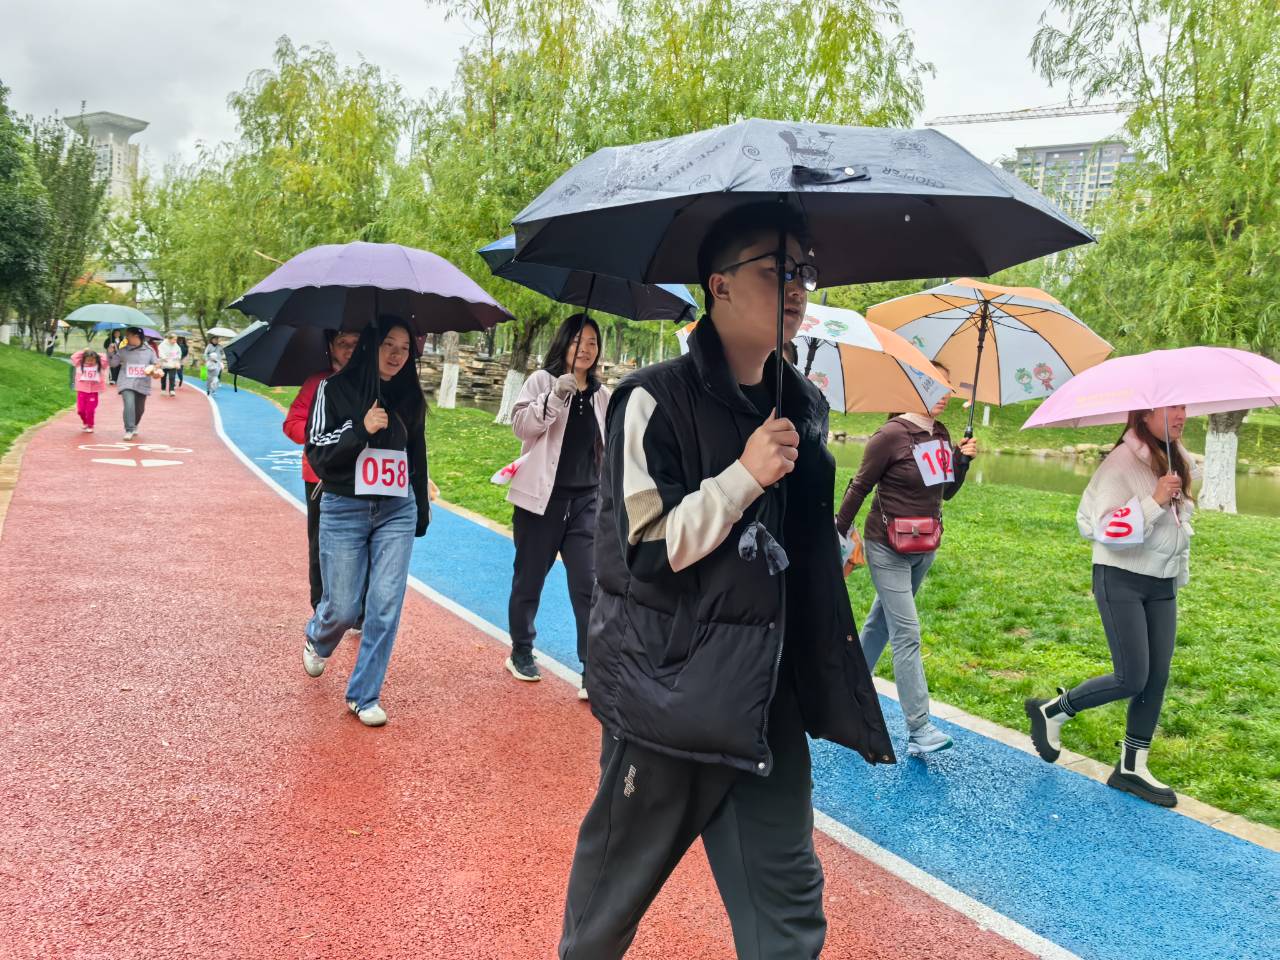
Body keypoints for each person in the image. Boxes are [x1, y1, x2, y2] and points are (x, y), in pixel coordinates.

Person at [557, 203, 893, 959]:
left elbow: (792, 542)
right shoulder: (651, 400)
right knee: (602, 918)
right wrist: (741, 476)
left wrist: (824, 549)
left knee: (790, 917)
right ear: (719, 286)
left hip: (764, 701)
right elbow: (643, 548)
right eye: (778, 271)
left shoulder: (802, 406)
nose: (800, 288)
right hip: (667, 698)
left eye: (805, 271)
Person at [1026, 406, 1196, 808]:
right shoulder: (1120, 463)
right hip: (1120, 577)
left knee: (1156, 678)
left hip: (1162, 580)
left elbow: (1177, 527)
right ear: (1145, 414)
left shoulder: (1178, 458)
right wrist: (1154, 500)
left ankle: (1131, 768)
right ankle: (1054, 711)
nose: (1181, 415)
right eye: (1171, 408)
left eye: (1184, 407)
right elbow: (1104, 529)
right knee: (1132, 677)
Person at [833, 369, 977, 756]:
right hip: (887, 546)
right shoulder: (891, 435)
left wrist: (961, 461)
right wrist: (838, 534)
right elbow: (859, 485)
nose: (944, 393)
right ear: (911, 388)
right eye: (934, 384)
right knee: (907, 633)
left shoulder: (941, 433)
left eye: (948, 385)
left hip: (925, 545)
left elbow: (945, 492)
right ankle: (919, 729)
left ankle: (847, 692)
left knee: (882, 622)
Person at [302, 316, 431, 727]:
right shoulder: (332, 390)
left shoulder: (410, 396)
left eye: (404, 348)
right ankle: (319, 636)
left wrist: (421, 511)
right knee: (342, 606)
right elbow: (318, 453)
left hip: (396, 508)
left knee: (384, 605)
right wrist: (361, 427)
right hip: (344, 507)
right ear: (370, 346)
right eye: (388, 345)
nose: (396, 354)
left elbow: (417, 455)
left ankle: (364, 694)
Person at [504, 314, 610, 695]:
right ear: (563, 343)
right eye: (578, 340)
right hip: (541, 502)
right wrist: (555, 396)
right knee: (529, 578)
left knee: (589, 584)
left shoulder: (601, 395)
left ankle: (591, 668)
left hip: (586, 501)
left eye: (593, 342)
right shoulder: (541, 381)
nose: (585, 348)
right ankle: (521, 650)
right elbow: (521, 427)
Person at [284, 328, 362, 611]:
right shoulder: (316, 383)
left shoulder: (375, 381)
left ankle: (358, 608)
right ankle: (321, 604)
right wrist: (325, 433)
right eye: (343, 343)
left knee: (362, 543)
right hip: (321, 476)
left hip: (362, 476)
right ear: (331, 346)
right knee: (321, 544)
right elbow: (291, 424)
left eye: (356, 343)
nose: (350, 349)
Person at [107, 327, 159, 441]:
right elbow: (113, 364)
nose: (126, 338)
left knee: (140, 409)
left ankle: (134, 424)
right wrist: (110, 353)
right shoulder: (123, 350)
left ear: (136, 336)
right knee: (129, 404)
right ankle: (129, 429)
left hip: (142, 382)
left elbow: (156, 364)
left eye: (128, 336)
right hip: (126, 381)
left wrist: (154, 370)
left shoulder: (149, 350)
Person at [69, 348, 108, 432]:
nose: (90, 362)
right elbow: (74, 357)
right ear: (84, 359)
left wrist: (95, 353)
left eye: (92, 360)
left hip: (93, 392)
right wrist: (84, 351)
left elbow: (105, 358)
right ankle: (85, 422)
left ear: (96, 359)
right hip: (81, 391)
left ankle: (90, 425)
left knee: (90, 410)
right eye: (88, 360)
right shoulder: (79, 364)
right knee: (80, 411)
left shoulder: (100, 365)